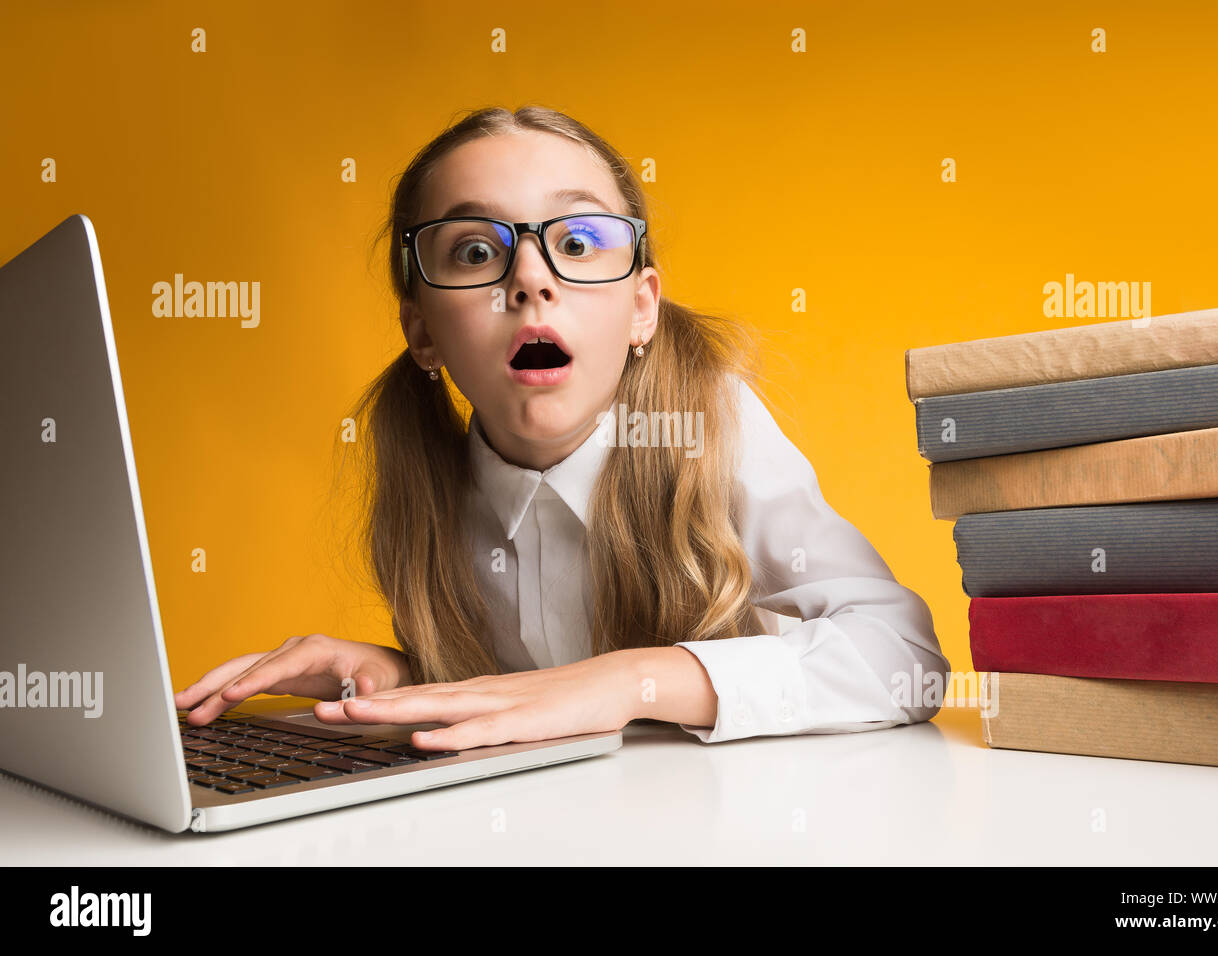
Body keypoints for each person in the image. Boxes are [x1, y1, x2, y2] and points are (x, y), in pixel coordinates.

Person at [175, 105, 950, 750]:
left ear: (642, 305)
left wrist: (632, 679)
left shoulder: (707, 427)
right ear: (423, 333)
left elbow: (905, 655)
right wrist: (406, 681)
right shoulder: (430, 478)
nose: (532, 279)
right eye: (477, 251)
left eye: (577, 242)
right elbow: (542, 692)